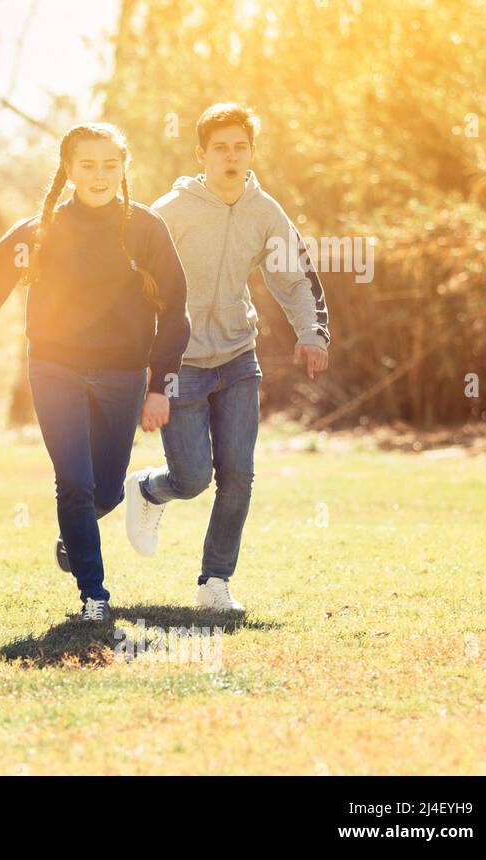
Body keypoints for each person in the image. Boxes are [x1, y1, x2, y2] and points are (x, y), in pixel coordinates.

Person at [0, 123, 190, 622]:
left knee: (106, 490)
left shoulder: (145, 228)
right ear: (68, 170)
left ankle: (75, 537)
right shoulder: (39, 232)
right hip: (56, 369)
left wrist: (160, 383)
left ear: (124, 167)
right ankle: (94, 596)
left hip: (123, 373)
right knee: (73, 482)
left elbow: (176, 309)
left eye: (110, 164)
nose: (99, 175)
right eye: (87, 165)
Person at [123, 102, 332, 612]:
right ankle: (150, 489)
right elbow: (128, 271)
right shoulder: (172, 210)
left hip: (239, 355)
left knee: (238, 474)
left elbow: (292, 273)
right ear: (202, 154)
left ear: (251, 153)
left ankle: (214, 583)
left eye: (240, 147)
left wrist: (312, 331)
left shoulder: (265, 211)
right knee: (193, 478)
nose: (231, 157)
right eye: (220, 148)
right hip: (182, 360)